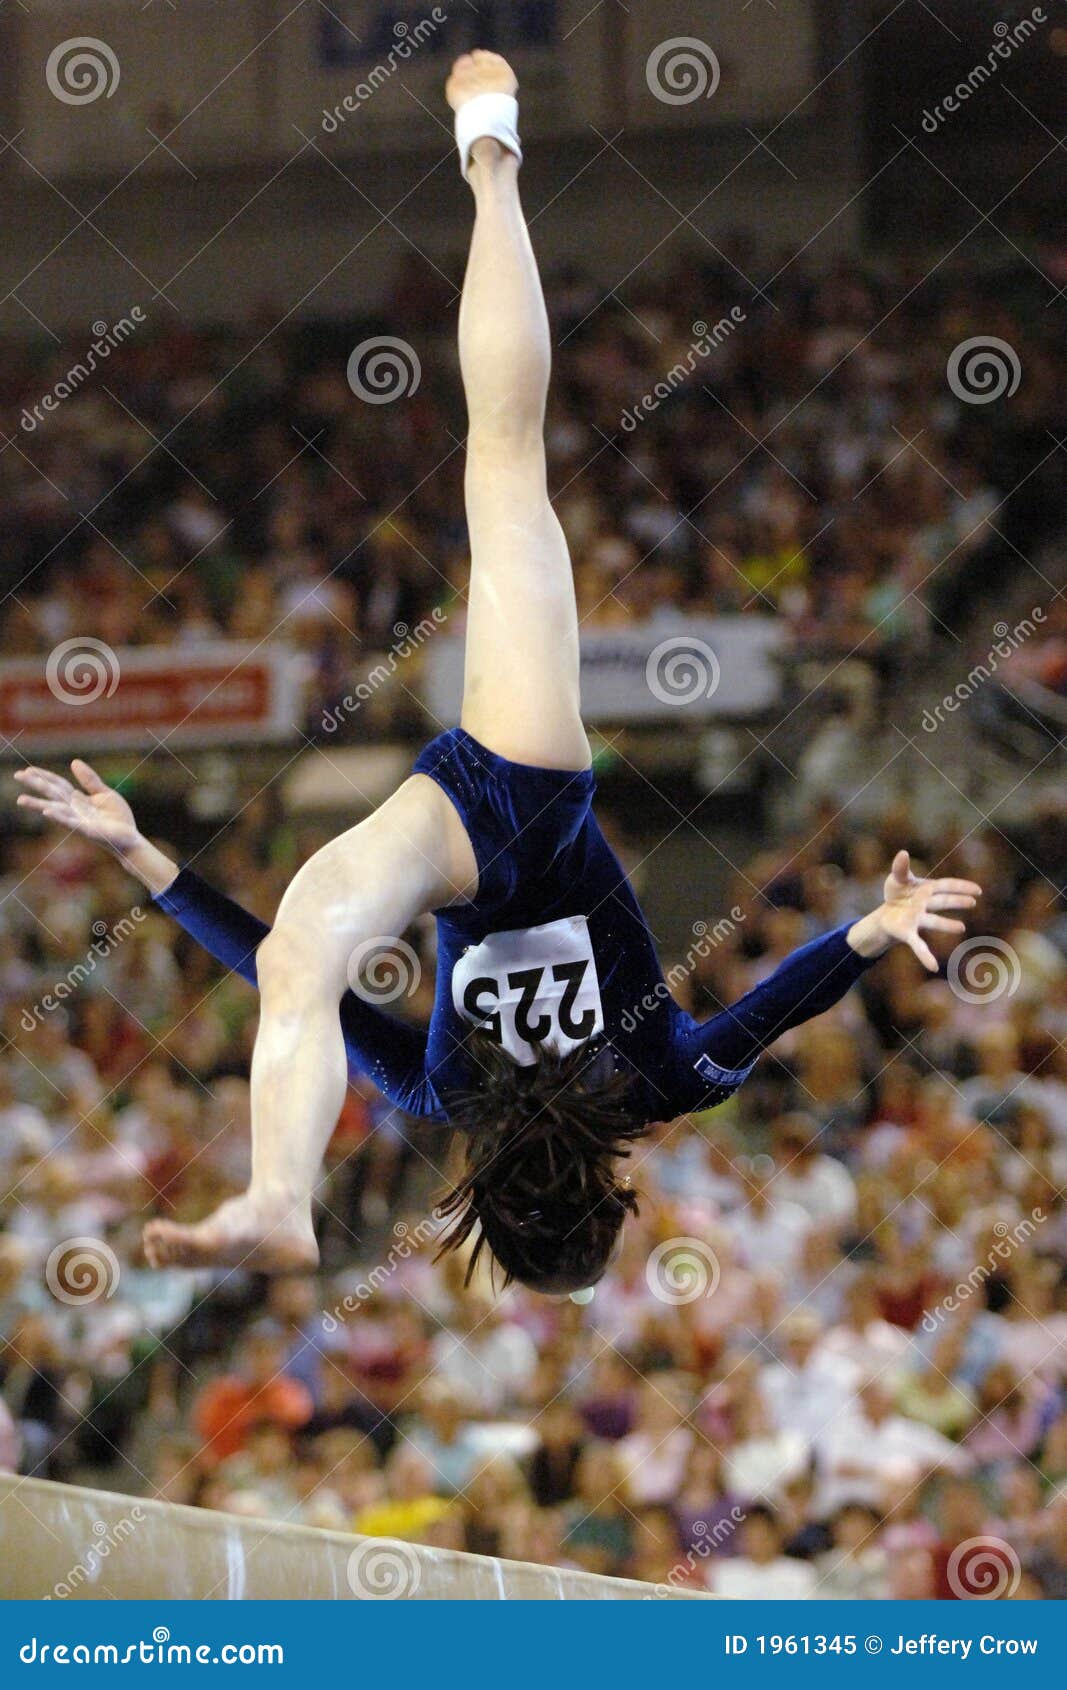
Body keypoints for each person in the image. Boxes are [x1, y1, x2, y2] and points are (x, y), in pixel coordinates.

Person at [14, 52, 983, 1300]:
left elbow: (777, 1008)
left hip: (528, 792)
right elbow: (262, 963)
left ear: (607, 1192)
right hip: (472, 830)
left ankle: (492, 154)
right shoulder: (440, 1089)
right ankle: (271, 1190)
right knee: (305, 948)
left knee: (507, 464)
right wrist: (145, 859)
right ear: (488, 1201)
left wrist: (870, 929)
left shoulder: (658, 1086)